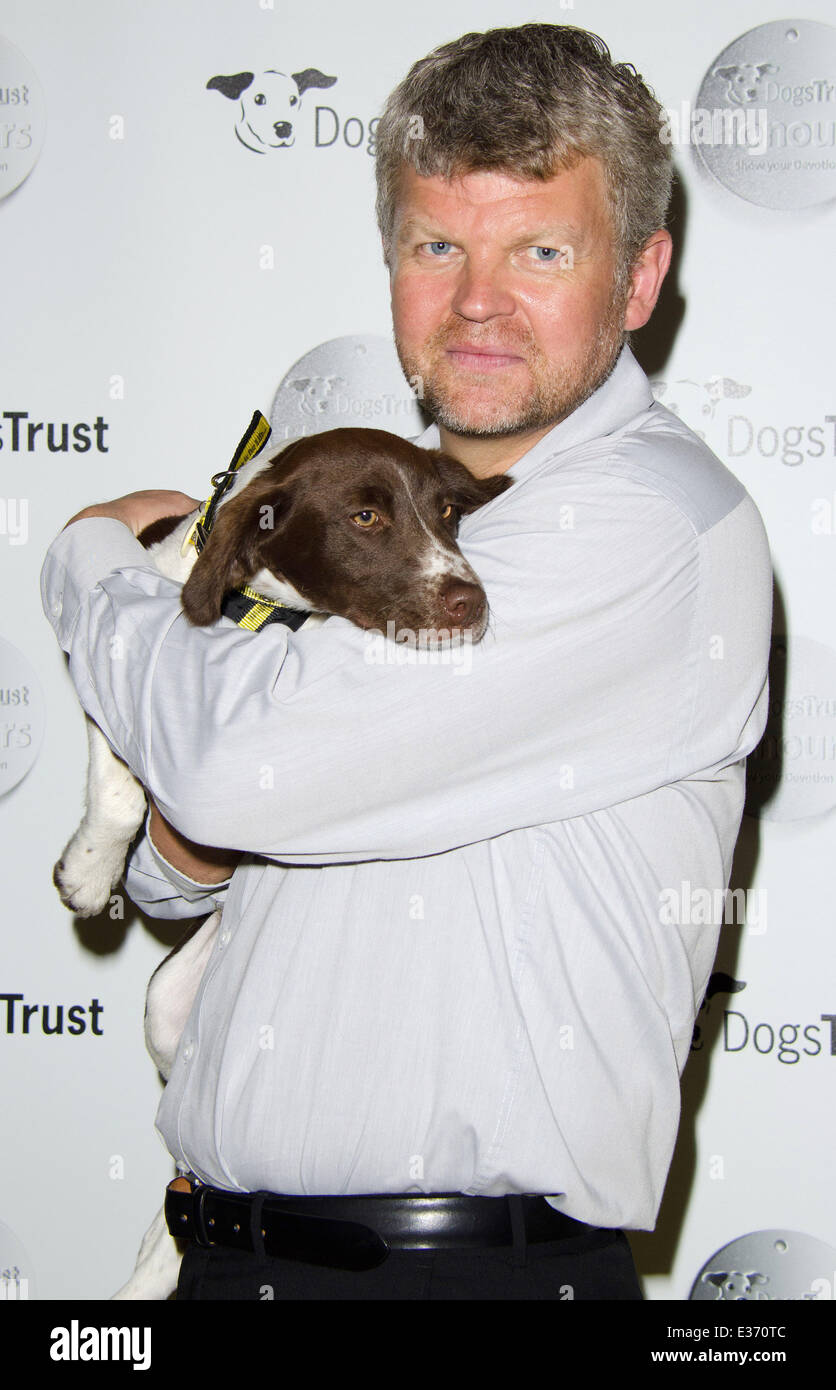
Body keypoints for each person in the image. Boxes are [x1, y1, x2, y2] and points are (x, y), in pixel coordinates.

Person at [41, 23, 771, 1301]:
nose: (477, 299)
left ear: (640, 276)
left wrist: (92, 556)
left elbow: (225, 760)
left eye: (540, 250)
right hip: (229, 1261)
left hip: (452, 1286)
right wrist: (188, 846)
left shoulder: (641, 522)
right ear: (392, 260)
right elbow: (191, 864)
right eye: (438, 245)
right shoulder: (396, 528)